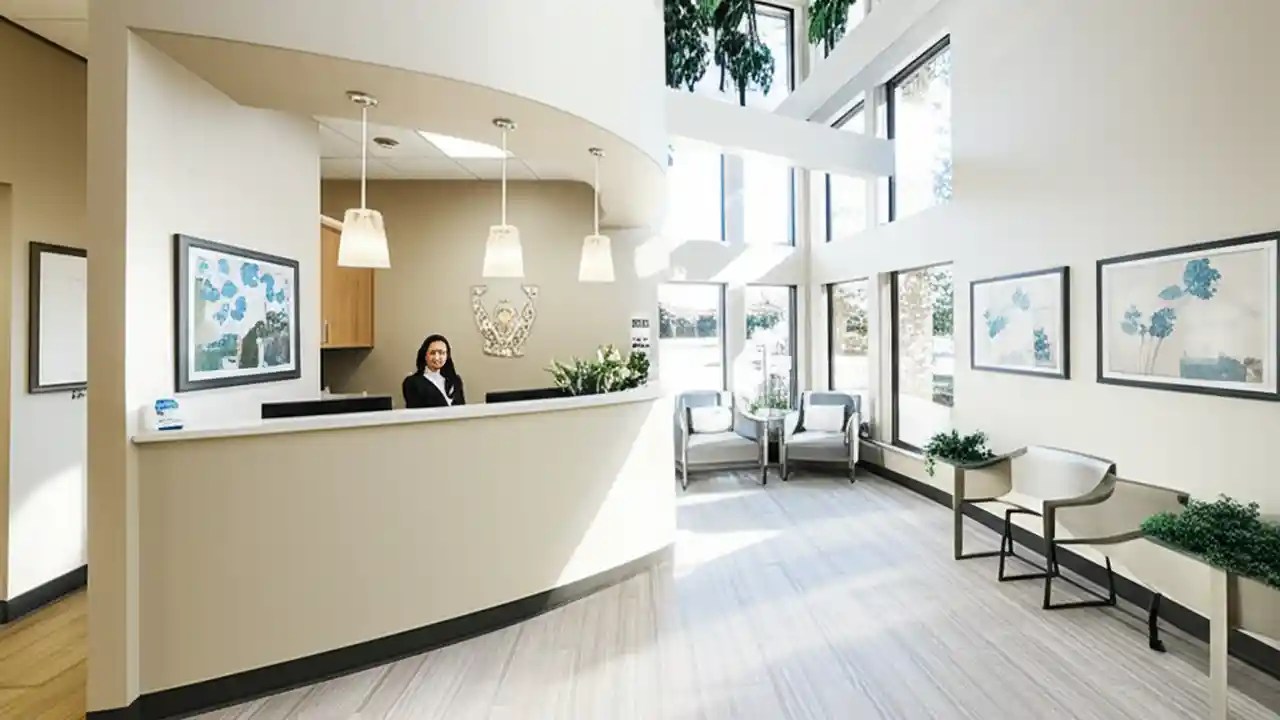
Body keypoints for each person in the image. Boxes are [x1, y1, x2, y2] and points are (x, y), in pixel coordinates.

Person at [403, 334, 466, 408]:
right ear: (425, 356)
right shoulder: (412, 382)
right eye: (432, 353)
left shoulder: (455, 380)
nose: (437, 357)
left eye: (441, 353)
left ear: (447, 356)